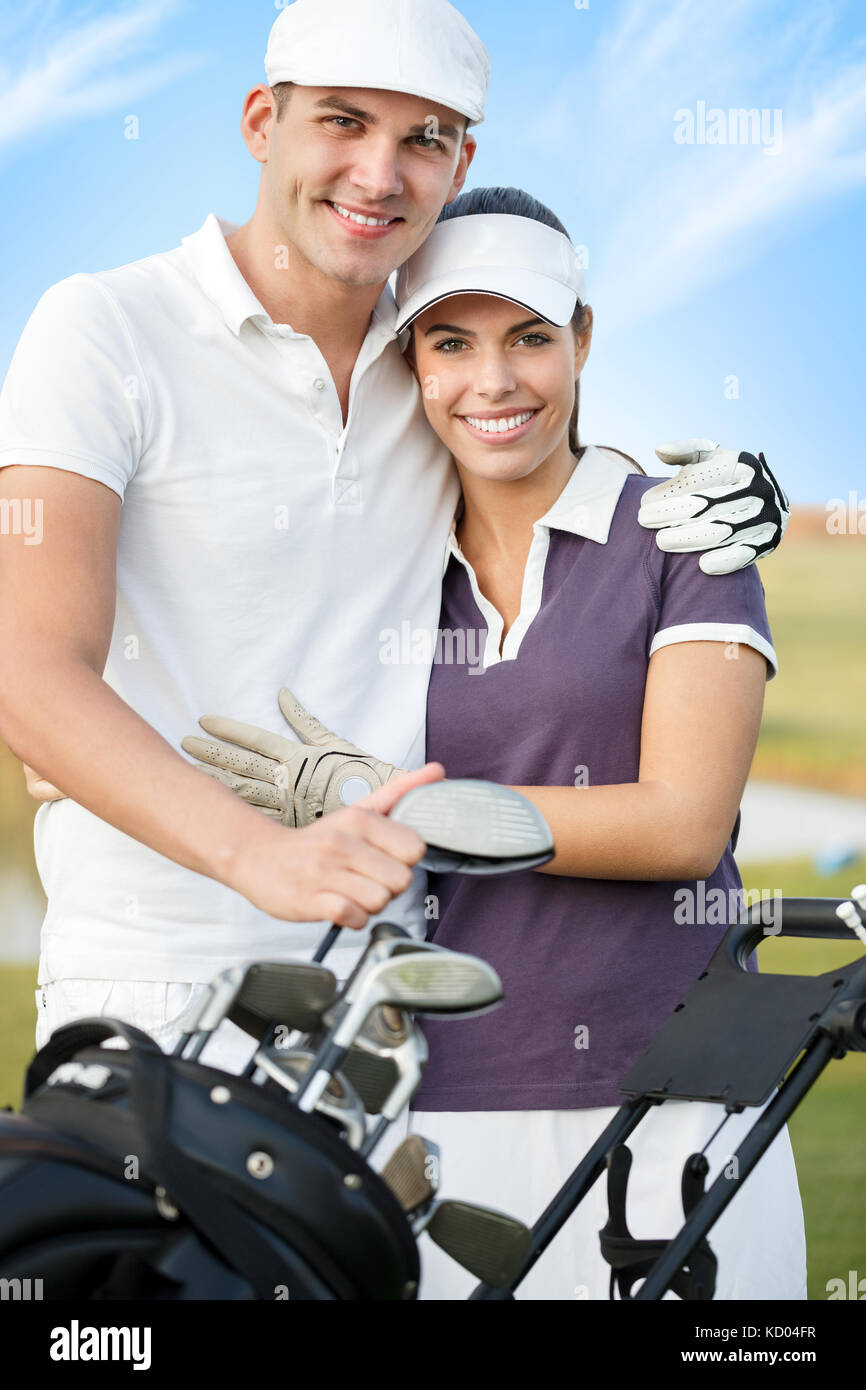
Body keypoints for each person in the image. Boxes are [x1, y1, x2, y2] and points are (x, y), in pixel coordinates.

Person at [1, 0, 786, 1078]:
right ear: (258, 122)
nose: (377, 174)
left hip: (393, 1008)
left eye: (421, 138)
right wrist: (261, 856)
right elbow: (29, 669)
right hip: (153, 988)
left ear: (460, 161)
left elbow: (532, 433)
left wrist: (729, 498)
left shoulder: (429, 366)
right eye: (340, 121)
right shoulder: (102, 329)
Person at [182, 186, 805, 1301]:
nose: (493, 381)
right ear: (410, 362)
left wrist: (398, 803)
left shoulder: (682, 536)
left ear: (580, 339)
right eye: (450, 342)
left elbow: (679, 822)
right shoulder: (386, 566)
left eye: (529, 337)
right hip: (444, 1102)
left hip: (681, 1097)